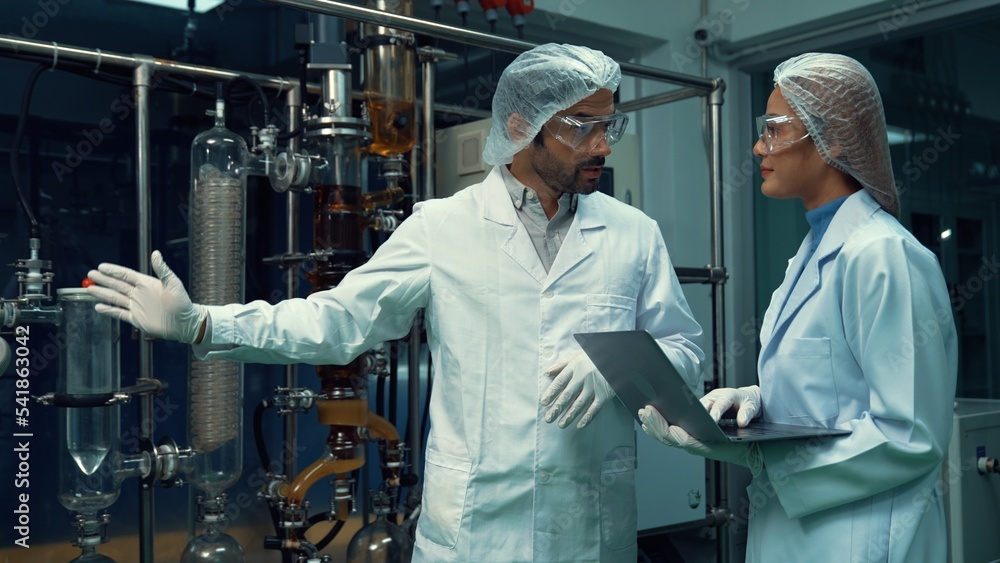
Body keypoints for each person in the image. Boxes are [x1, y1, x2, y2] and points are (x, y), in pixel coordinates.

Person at [86, 43, 705, 562]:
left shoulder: (633, 233)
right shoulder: (442, 227)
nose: (603, 146)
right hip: (475, 532)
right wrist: (201, 324)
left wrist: (621, 366)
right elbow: (338, 321)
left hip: (590, 532)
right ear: (521, 126)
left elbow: (684, 352)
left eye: (609, 125)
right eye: (581, 127)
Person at [638, 52, 957, 562]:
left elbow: (911, 435)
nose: (758, 146)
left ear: (831, 138)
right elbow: (835, 389)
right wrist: (758, 404)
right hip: (798, 533)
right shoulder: (814, 250)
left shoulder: (883, 255)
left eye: (775, 129)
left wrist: (761, 457)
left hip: (864, 539)